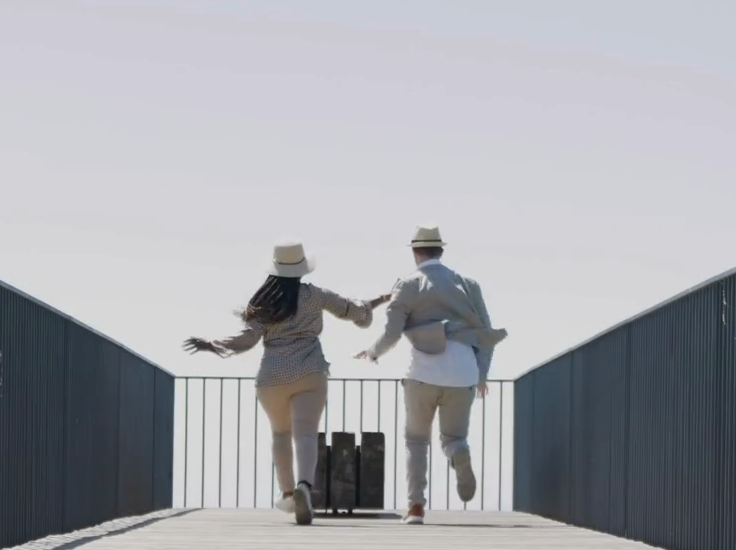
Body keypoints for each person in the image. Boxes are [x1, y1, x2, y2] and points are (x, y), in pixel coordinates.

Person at [184, 241, 387, 525]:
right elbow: (355, 313)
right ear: (302, 269)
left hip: (271, 376)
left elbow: (247, 340)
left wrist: (212, 344)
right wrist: (377, 302)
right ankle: (305, 486)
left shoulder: (263, 301)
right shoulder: (314, 295)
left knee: (280, 434)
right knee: (305, 433)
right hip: (309, 370)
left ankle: (289, 493)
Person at [356, 224, 506, 524]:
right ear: (441, 250)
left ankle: (415, 508)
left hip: (423, 373)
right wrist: (481, 375)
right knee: (453, 437)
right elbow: (485, 334)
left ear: (415, 252)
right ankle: (458, 453)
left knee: (416, 441)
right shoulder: (468, 284)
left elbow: (392, 332)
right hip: (464, 373)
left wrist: (373, 352)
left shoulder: (408, 285)